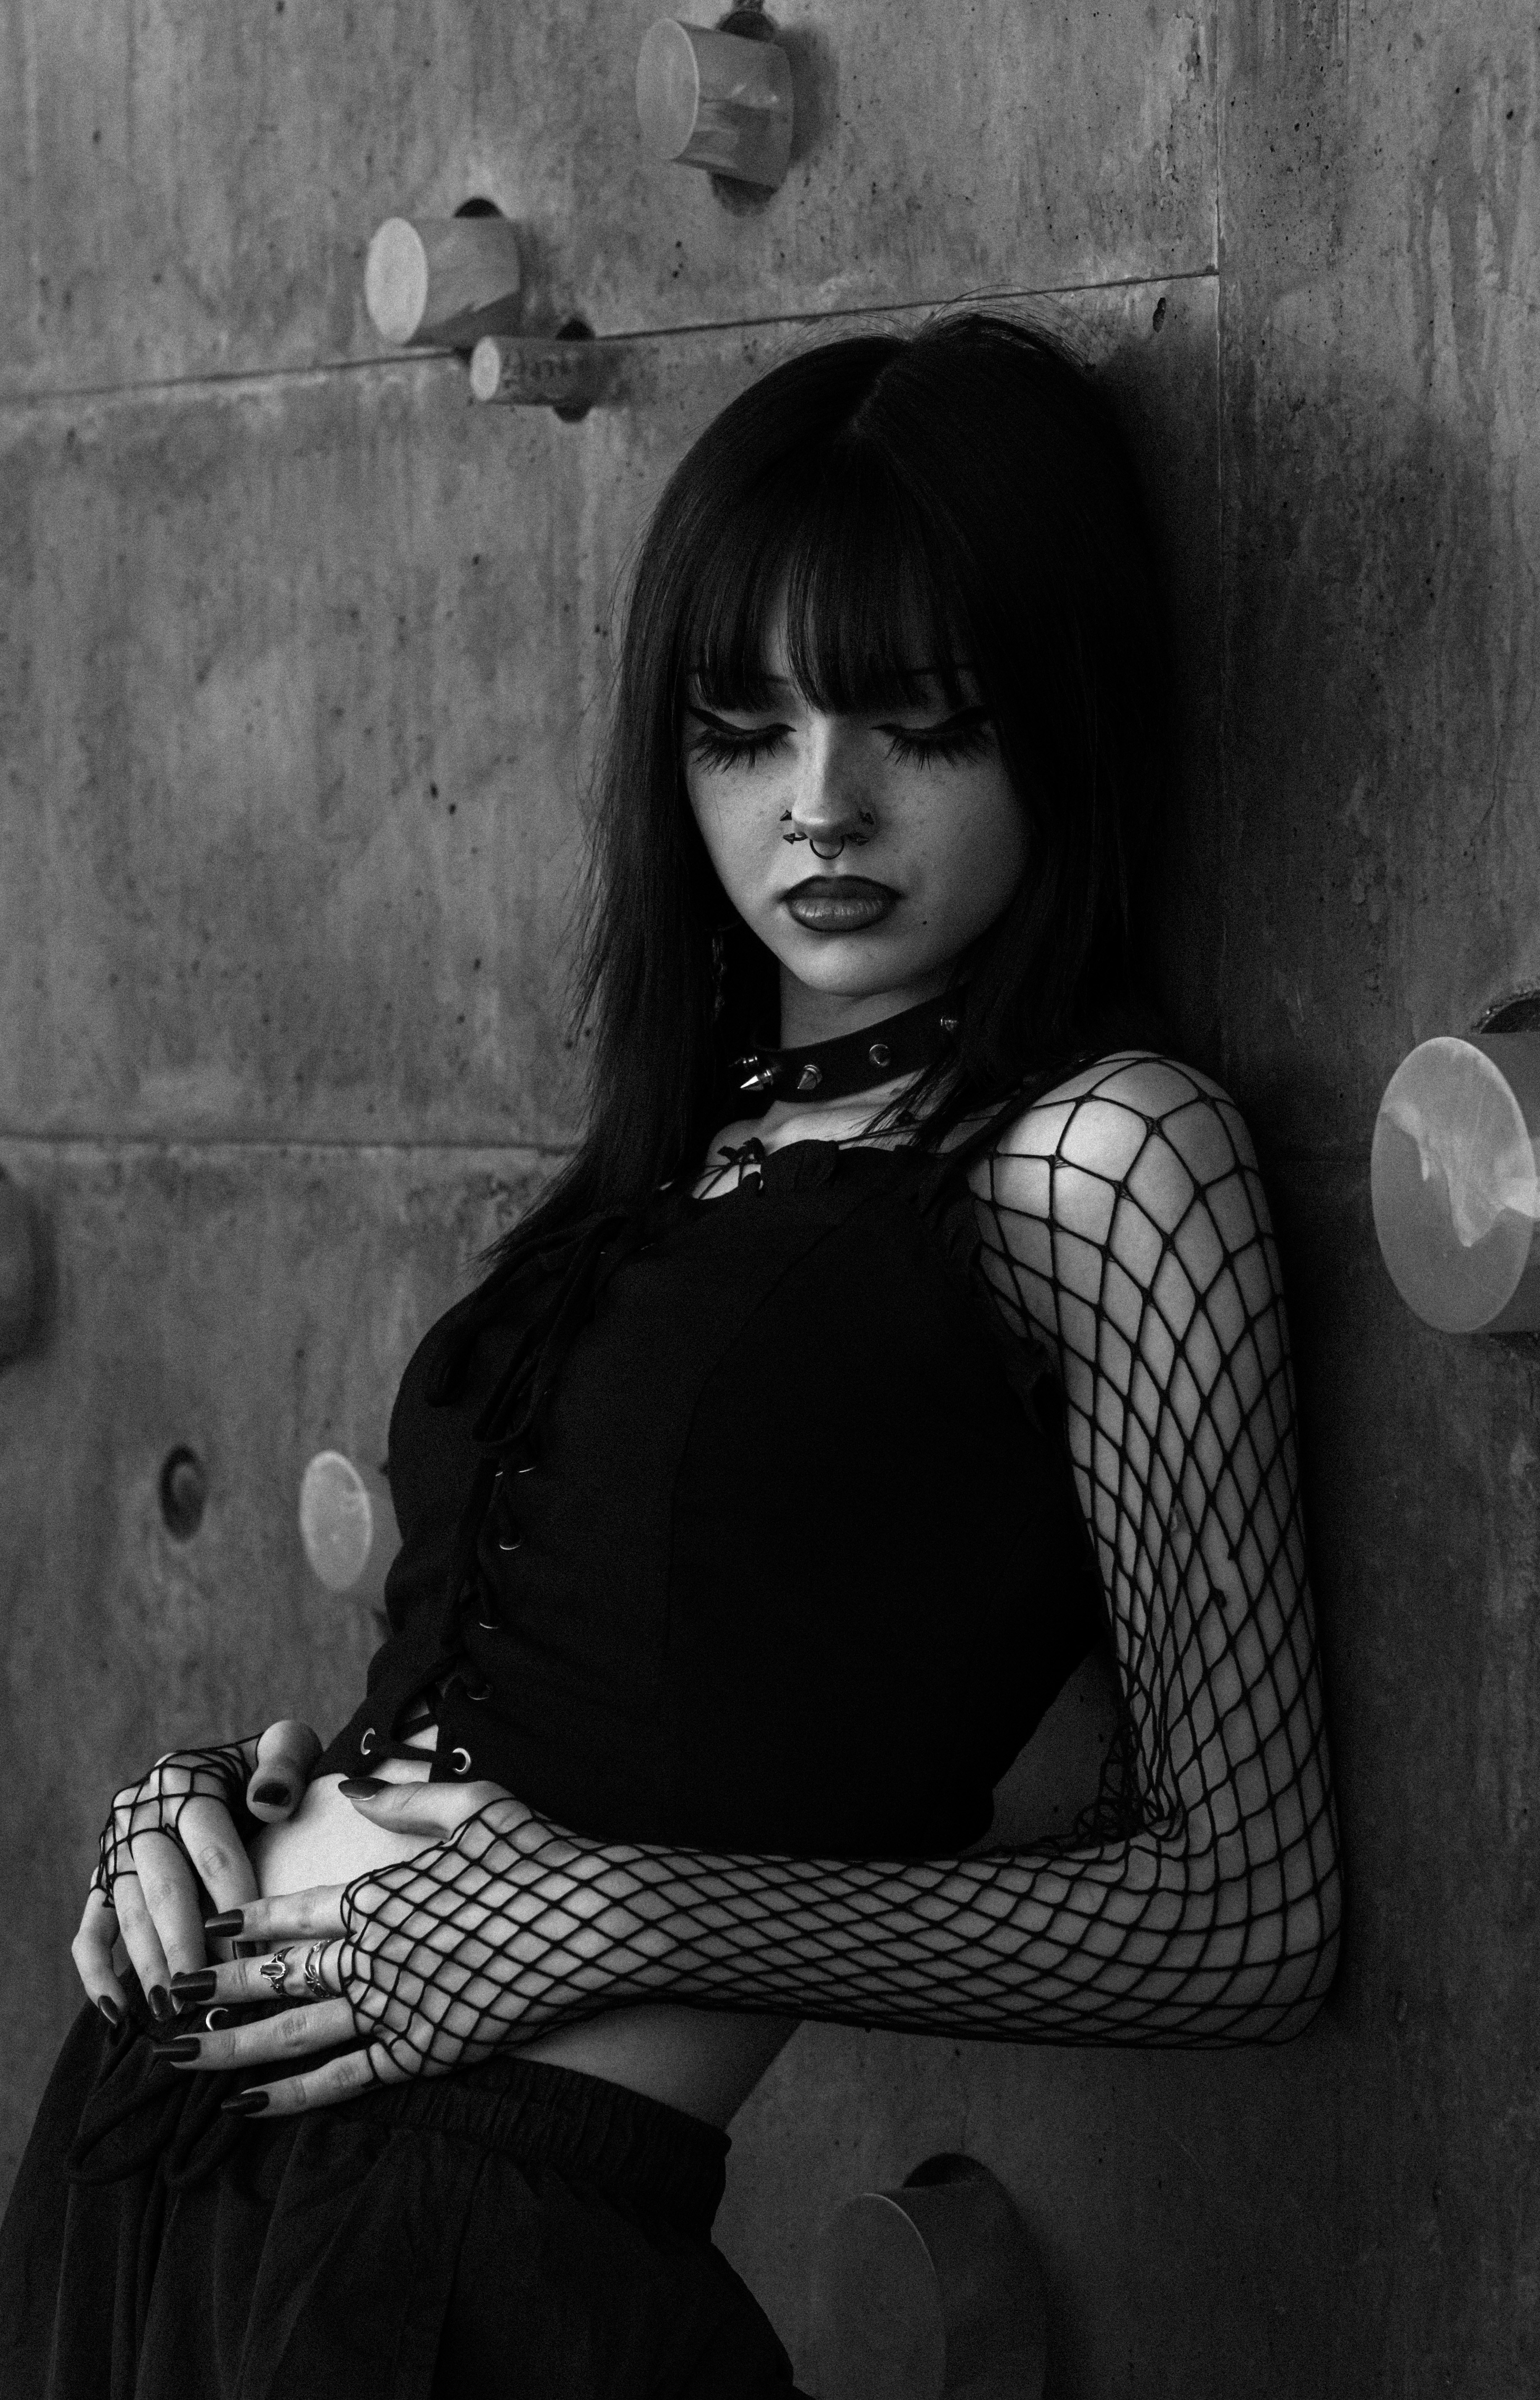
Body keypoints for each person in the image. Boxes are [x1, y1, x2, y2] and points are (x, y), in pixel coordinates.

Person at [1, 310, 1341, 2397]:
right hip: (150, 2166)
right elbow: (484, 1721)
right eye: (742, 731)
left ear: (1060, 719)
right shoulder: (667, 1154)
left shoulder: (1104, 1155)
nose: (822, 805)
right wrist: (216, 1805)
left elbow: (1244, 1916)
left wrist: (628, 1922)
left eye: (919, 721)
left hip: (486, 2246)